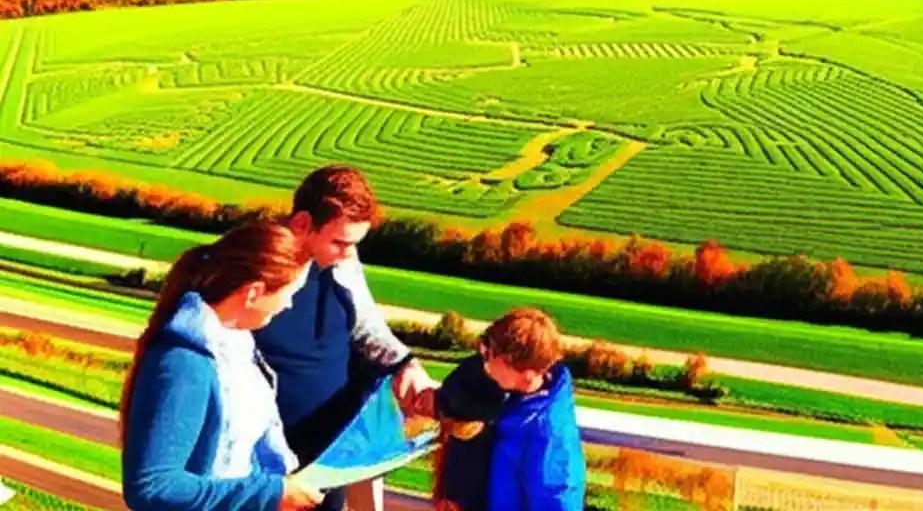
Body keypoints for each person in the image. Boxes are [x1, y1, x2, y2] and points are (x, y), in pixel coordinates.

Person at [253, 165, 437, 511]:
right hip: (266, 472)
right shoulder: (250, 270)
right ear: (303, 224)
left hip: (329, 462)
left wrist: (406, 364)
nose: (349, 253)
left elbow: (367, 328)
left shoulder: (342, 264)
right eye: (340, 242)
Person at [121, 220, 322, 511]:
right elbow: (153, 487)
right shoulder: (184, 365)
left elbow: (239, 455)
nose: (289, 305)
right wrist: (272, 493)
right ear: (253, 292)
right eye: (289, 293)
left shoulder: (237, 349)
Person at [434, 308, 586, 511]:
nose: (483, 357)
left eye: (490, 354)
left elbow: (557, 501)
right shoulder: (503, 393)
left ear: (526, 373)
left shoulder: (550, 436)